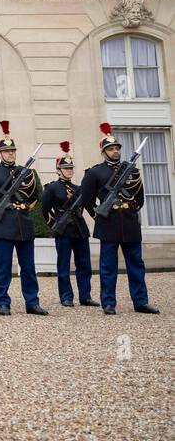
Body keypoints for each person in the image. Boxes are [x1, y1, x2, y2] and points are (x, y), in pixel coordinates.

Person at [80, 123, 158, 315]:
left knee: (136, 265)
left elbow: (139, 198)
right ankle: (108, 303)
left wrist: (130, 210)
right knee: (108, 267)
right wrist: (99, 213)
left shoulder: (132, 171)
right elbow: (86, 199)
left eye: (117, 148)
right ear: (103, 152)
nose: (115, 152)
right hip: (108, 224)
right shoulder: (95, 172)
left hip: (130, 223)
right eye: (111, 149)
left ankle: (140, 301)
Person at [0, 120, 46, 316]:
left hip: (23, 223)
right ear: (0, 153)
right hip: (4, 224)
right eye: (7, 151)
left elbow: (34, 195)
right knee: (3, 268)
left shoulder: (25, 173)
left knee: (28, 267)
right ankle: (2, 302)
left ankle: (32, 302)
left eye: (13, 151)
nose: (11, 154)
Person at [42, 141, 94, 307]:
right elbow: (44, 210)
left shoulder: (79, 188)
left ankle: (85, 296)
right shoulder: (51, 188)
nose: (69, 171)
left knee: (84, 264)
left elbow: (87, 206)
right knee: (63, 265)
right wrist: (54, 226)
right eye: (66, 168)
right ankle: (66, 297)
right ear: (58, 170)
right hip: (63, 230)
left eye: (71, 168)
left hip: (79, 229)